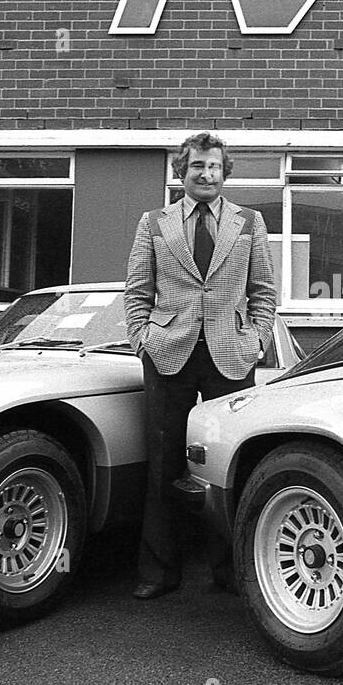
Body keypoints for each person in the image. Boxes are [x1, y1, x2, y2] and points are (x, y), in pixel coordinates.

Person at [124, 132, 277, 599]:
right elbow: (136, 292)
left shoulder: (249, 222)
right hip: (168, 352)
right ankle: (158, 572)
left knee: (226, 464)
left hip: (231, 354)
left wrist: (257, 341)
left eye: (213, 167)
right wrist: (142, 341)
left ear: (224, 172)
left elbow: (264, 293)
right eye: (196, 167)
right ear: (182, 172)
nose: (205, 174)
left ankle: (229, 571)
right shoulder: (154, 222)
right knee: (164, 462)